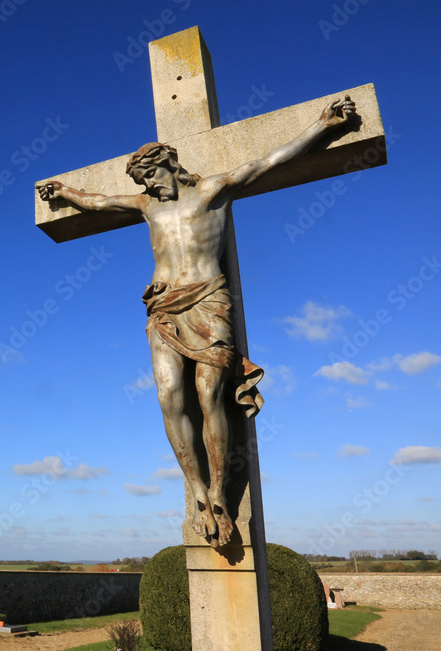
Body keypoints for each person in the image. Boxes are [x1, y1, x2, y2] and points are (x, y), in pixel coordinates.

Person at [37, 97, 356, 547]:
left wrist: (322, 128)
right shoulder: (147, 207)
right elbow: (99, 201)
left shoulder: (213, 190)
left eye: (150, 174)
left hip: (209, 302)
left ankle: (220, 492)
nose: (147, 184)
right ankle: (196, 488)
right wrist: (66, 193)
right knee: (169, 397)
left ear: (168, 163)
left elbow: (269, 161)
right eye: (141, 179)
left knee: (209, 396)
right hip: (164, 308)